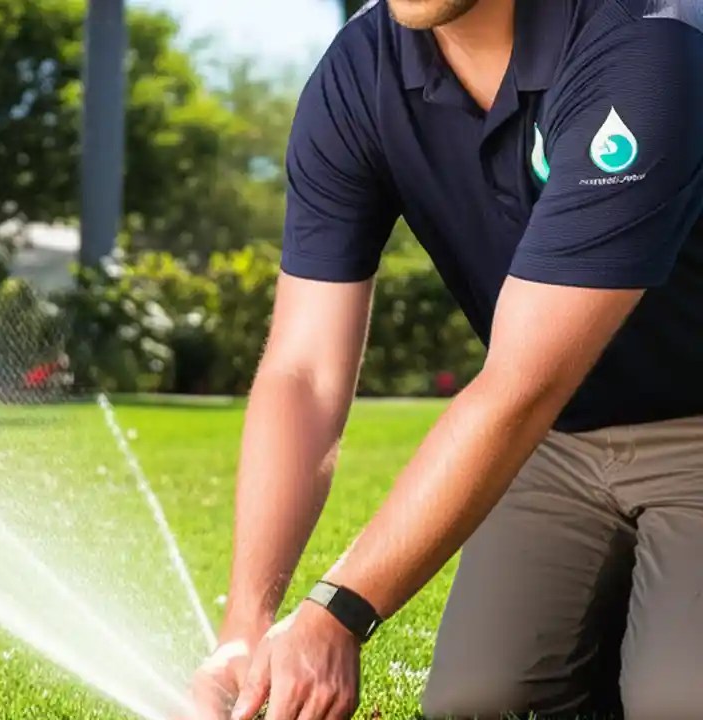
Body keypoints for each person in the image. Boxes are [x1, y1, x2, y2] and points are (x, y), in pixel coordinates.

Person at [185, 0, 703, 718]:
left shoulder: (649, 44)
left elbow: (523, 382)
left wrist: (339, 610)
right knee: (477, 702)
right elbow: (303, 372)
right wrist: (244, 631)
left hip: (683, 425)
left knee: (676, 698)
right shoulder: (359, 71)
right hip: (551, 445)